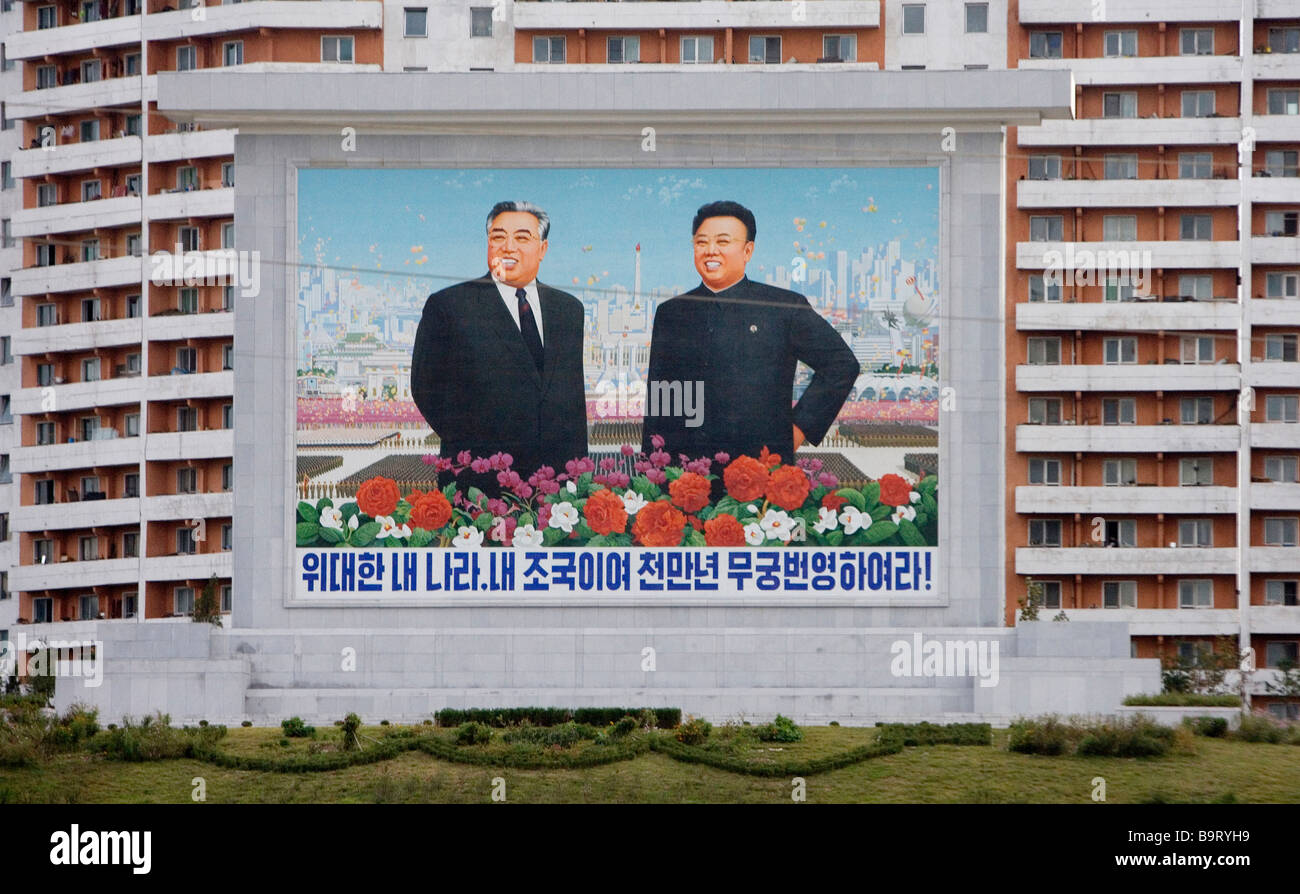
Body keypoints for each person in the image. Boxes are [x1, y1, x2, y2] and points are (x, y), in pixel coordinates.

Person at [642, 200, 859, 463]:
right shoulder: (671, 312)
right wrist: (651, 463)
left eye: (723, 242)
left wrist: (798, 431)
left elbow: (841, 364)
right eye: (701, 242)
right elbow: (660, 395)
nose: (710, 251)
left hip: (759, 469)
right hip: (684, 471)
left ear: (747, 251)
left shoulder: (783, 307)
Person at [411, 201, 587, 496]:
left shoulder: (568, 310)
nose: (508, 247)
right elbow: (425, 388)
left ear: (542, 249)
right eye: (498, 237)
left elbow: (572, 399)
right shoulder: (450, 306)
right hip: (479, 485)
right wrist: (476, 446)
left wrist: (579, 477)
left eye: (521, 238)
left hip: (557, 486)